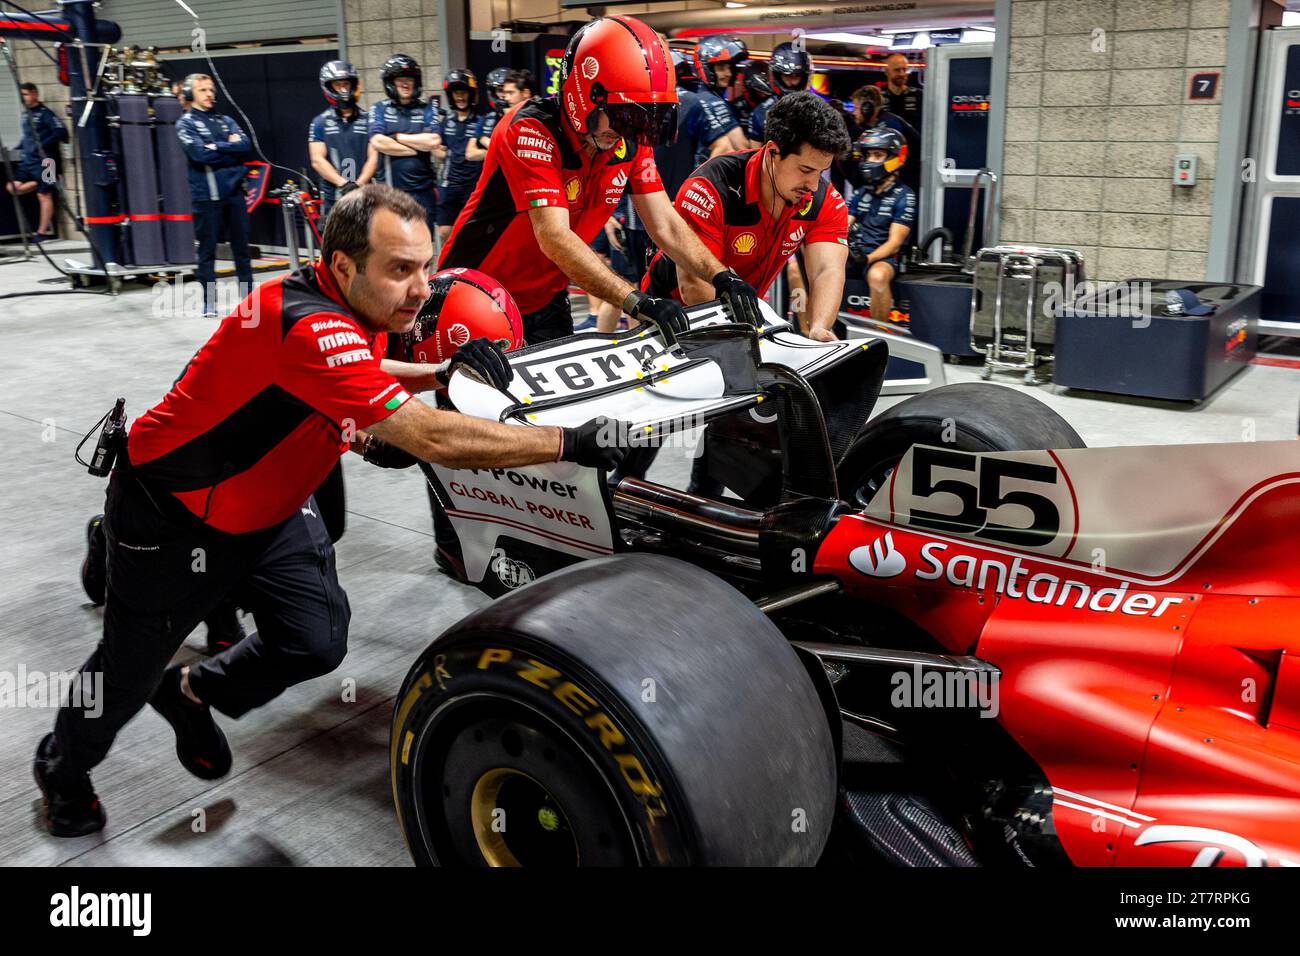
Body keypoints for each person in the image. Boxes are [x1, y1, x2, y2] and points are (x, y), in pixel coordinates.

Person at [35, 184, 629, 838]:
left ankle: (193, 693)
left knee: (315, 640)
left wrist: (440, 373)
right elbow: (431, 439)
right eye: (400, 270)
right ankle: (62, 770)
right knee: (126, 672)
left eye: (426, 266)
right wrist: (570, 443)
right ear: (344, 266)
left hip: (272, 508)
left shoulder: (357, 310)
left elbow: (367, 376)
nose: (422, 288)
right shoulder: (305, 322)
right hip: (170, 517)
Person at [439, 15, 763, 345]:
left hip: (547, 298)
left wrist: (723, 276)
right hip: (473, 296)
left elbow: (665, 223)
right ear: (587, 96)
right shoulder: (530, 127)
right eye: (623, 113)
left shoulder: (629, 139)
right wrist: (638, 302)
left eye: (642, 116)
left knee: (560, 399)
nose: (630, 128)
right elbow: (554, 236)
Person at [175, 74, 254, 318]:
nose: (209, 94)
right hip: (206, 195)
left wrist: (217, 146)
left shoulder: (225, 120)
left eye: (211, 89)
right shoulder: (185, 124)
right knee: (207, 252)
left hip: (234, 194)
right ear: (190, 95)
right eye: (202, 90)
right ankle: (209, 302)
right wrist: (229, 149)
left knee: (242, 249)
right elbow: (199, 156)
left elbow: (245, 146)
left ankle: (250, 301)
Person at [847, 127, 915, 322]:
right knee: (805, 268)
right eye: (868, 155)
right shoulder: (861, 192)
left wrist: (866, 259)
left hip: (884, 259)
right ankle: (810, 331)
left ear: (894, 158)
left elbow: (894, 243)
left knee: (877, 277)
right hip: (855, 255)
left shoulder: (905, 195)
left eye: (877, 155)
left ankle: (879, 335)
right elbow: (842, 225)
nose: (870, 161)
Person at [369, 54, 441, 235]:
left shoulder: (427, 108)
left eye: (409, 79)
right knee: (392, 244)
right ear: (391, 83)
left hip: (423, 192)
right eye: (400, 80)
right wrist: (415, 147)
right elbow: (377, 141)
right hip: (390, 192)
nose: (405, 84)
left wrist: (397, 136)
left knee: (424, 243)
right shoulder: (379, 109)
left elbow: (433, 141)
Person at [308, 60, 379, 219]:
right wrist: (344, 184)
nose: (343, 89)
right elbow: (317, 160)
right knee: (337, 243)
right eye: (338, 85)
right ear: (329, 87)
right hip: (333, 197)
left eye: (346, 84)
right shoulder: (320, 122)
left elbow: (374, 157)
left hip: (365, 194)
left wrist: (358, 184)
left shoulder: (369, 120)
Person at [4, 83, 67, 241]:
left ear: (34, 94)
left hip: (48, 161)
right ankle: (41, 183)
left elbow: (61, 132)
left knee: (44, 195)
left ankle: (41, 232)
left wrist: (42, 145)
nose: (23, 98)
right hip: (29, 161)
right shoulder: (26, 115)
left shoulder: (46, 113)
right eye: (22, 95)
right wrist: (14, 149)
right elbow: (27, 138)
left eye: (25, 94)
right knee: (12, 187)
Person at [432, 69, 484, 244]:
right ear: (451, 96)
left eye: (463, 93)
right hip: (448, 185)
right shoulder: (445, 122)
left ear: (470, 94)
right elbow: (437, 149)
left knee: (470, 232)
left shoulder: (481, 121)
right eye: (456, 93)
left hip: (472, 186)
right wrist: (448, 155)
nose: (460, 97)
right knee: (444, 232)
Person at [688, 36, 749, 163]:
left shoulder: (700, 96)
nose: (729, 74)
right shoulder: (712, 101)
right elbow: (742, 147)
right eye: (721, 68)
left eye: (729, 67)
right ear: (707, 69)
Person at [748, 42, 811, 146]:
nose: (793, 82)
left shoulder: (816, 108)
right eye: (788, 76)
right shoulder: (761, 112)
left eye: (797, 76)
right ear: (778, 75)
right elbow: (755, 153)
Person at [880, 52, 923, 132]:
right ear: (887, 72)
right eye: (897, 70)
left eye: (904, 69)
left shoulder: (919, 95)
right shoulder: (879, 96)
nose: (902, 74)